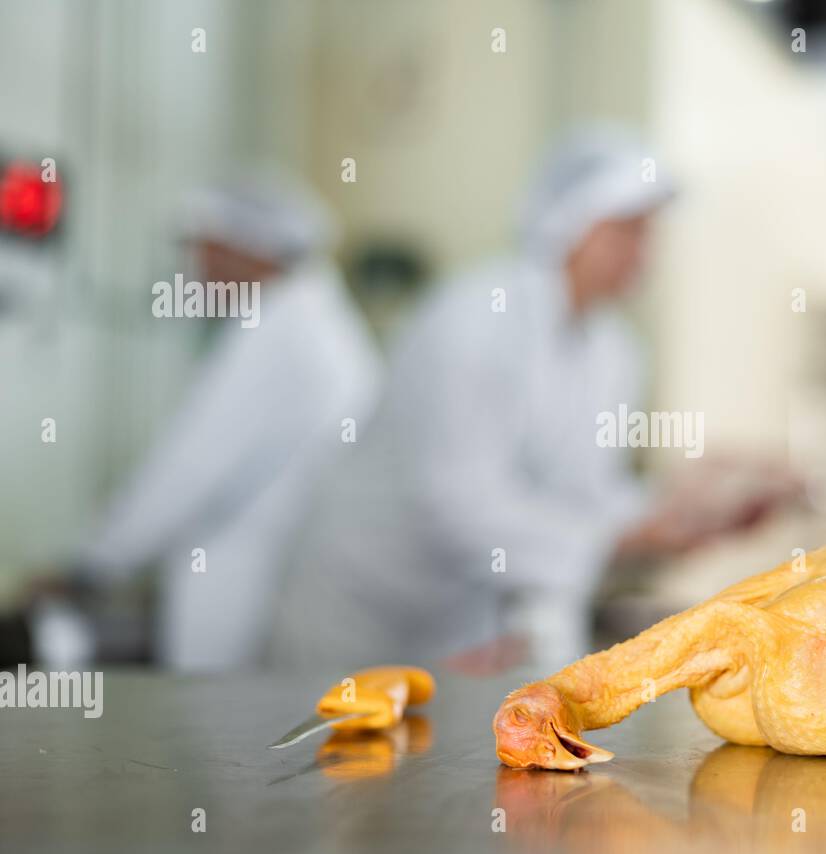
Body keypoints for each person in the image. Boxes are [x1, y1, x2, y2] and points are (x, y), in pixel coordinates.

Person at [270, 128, 798, 673]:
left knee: (439, 755)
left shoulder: (613, 350)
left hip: (458, 623)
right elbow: (459, 502)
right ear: (565, 223)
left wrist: (686, 517)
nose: (644, 250)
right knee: (333, 753)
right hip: (362, 607)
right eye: (626, 230)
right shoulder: (475, 318)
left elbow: (582, 496)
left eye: (649, 232)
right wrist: (633, 536)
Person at [56, 175, 381, 671]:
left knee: (218, 737)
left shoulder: (279, 330)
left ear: (252, 248)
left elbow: (189, 467)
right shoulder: (314, 318)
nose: (197, 271)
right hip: (281, 575)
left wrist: (94, 563)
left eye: (207, 251)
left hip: (246, 583)